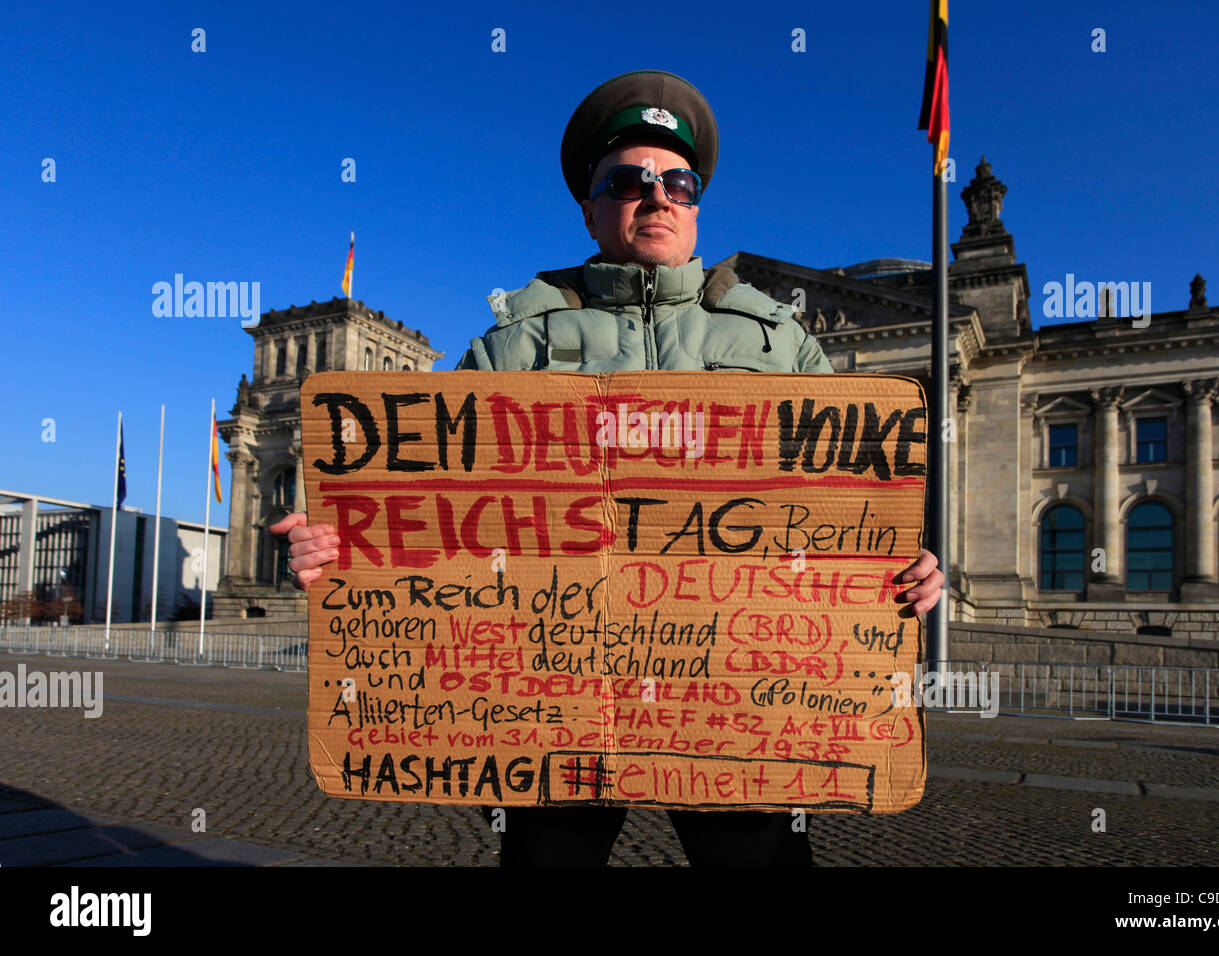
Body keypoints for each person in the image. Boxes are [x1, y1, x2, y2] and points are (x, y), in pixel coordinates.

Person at [271, 69, 945, 866]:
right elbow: (426, 506)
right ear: (591, 209)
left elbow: (848, 508)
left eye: (677, 183)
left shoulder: (781, 342)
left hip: (742, 679)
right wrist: (338, 548)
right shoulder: (511, 344)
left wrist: (906, 567)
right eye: (627, 181)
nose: (656, 197)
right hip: (549, 682)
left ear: (696, 207)